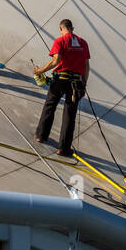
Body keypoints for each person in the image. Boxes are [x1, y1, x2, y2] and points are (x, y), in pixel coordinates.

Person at [33, 19, 90, 156]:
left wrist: (39, 71)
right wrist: (83, 84)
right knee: (70, 115)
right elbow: (86, 66)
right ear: (72, 28)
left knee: (50, 106)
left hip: (60, 80)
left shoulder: (60, 41)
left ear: (61, 28)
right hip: (76, 83)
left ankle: (41, 135)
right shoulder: (83, 43)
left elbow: (56, 60)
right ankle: (63, 148)